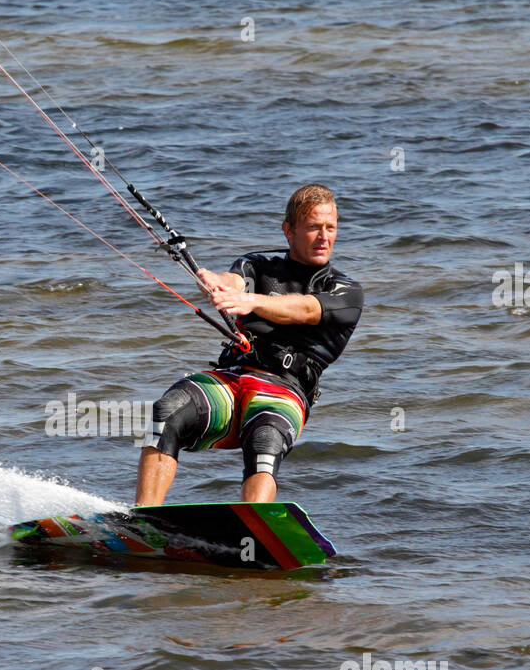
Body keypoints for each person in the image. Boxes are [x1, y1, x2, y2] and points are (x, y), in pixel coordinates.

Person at [135, 183, 363, 505]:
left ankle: (253, 528)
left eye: (330, 228)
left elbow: (306, 309)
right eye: (313, 227)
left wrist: (249, 301)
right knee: (168, 410)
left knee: (265, 439)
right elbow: (235, 280)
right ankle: (143, 518)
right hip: (232, 377)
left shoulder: (345, 290)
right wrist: (216, 281)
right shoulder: (257, 265)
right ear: (289, 230)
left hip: (284, 390)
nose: (324, 237)